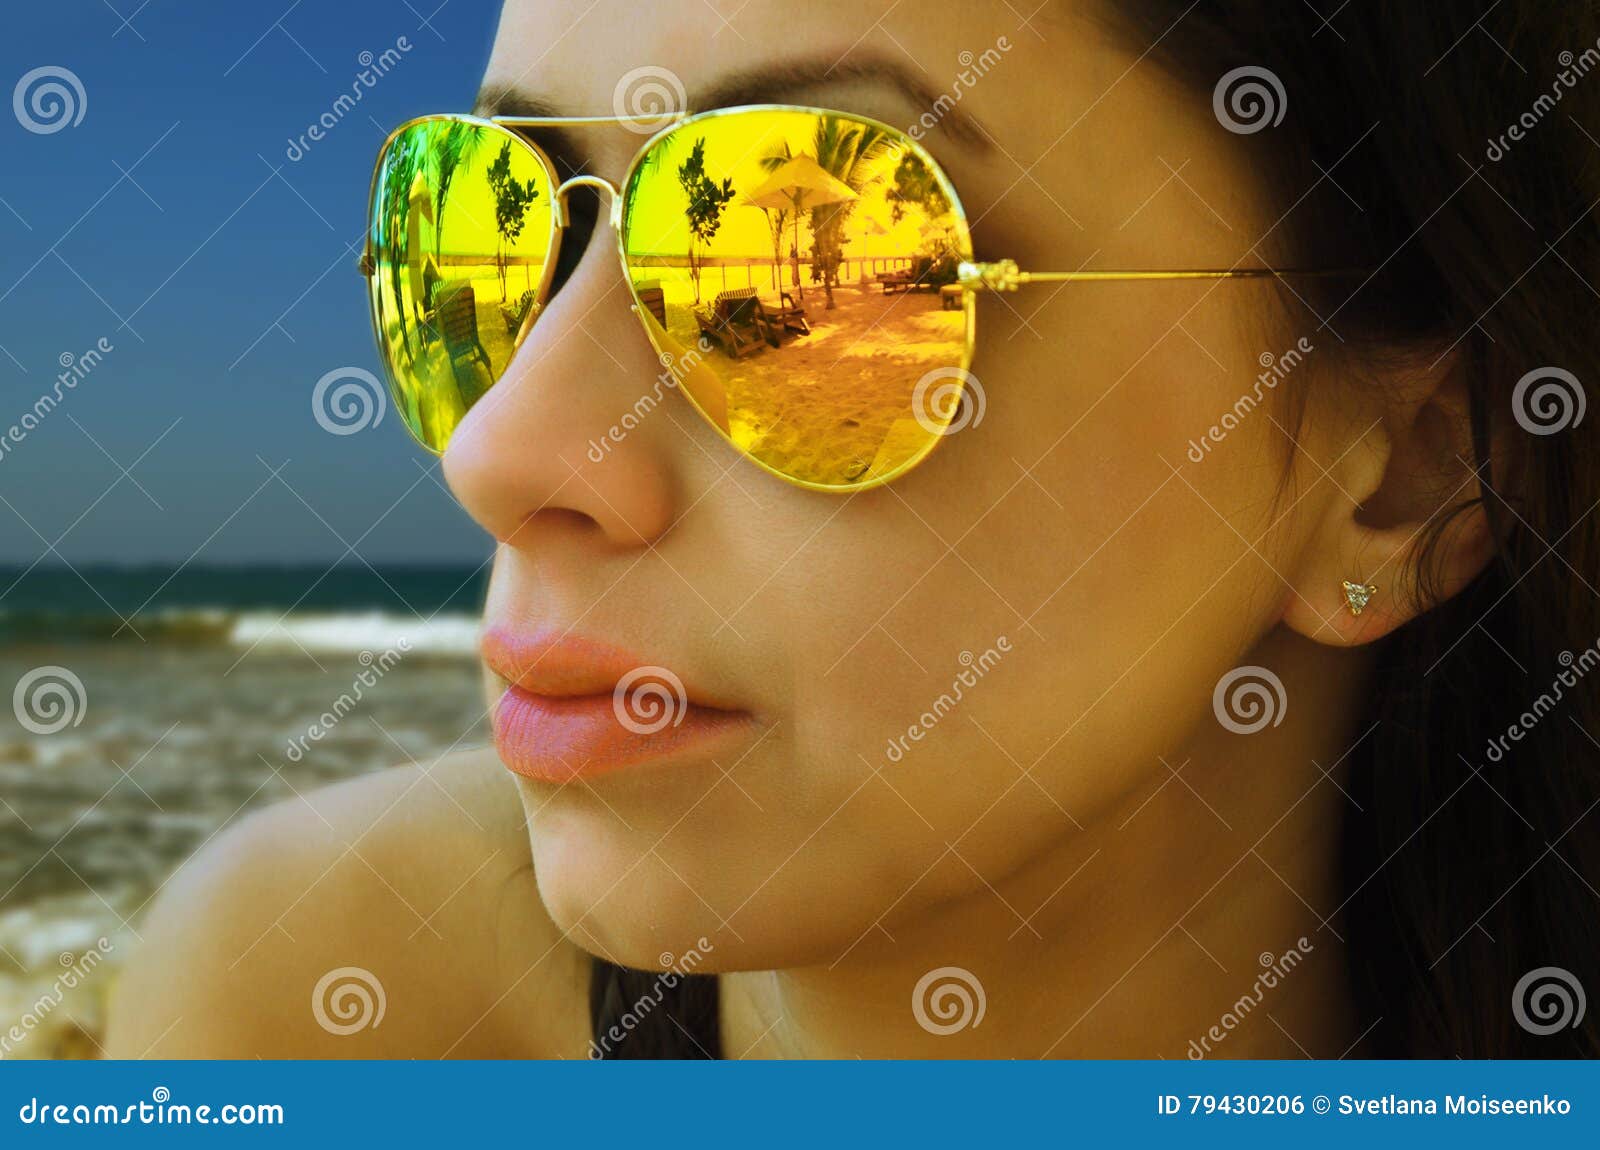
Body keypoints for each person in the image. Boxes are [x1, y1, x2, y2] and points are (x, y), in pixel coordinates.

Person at [109, 0, 1600, 1059]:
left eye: (805, 274)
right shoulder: (312, 1007)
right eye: (485, 233)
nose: (501, 447)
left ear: (1410, 476)